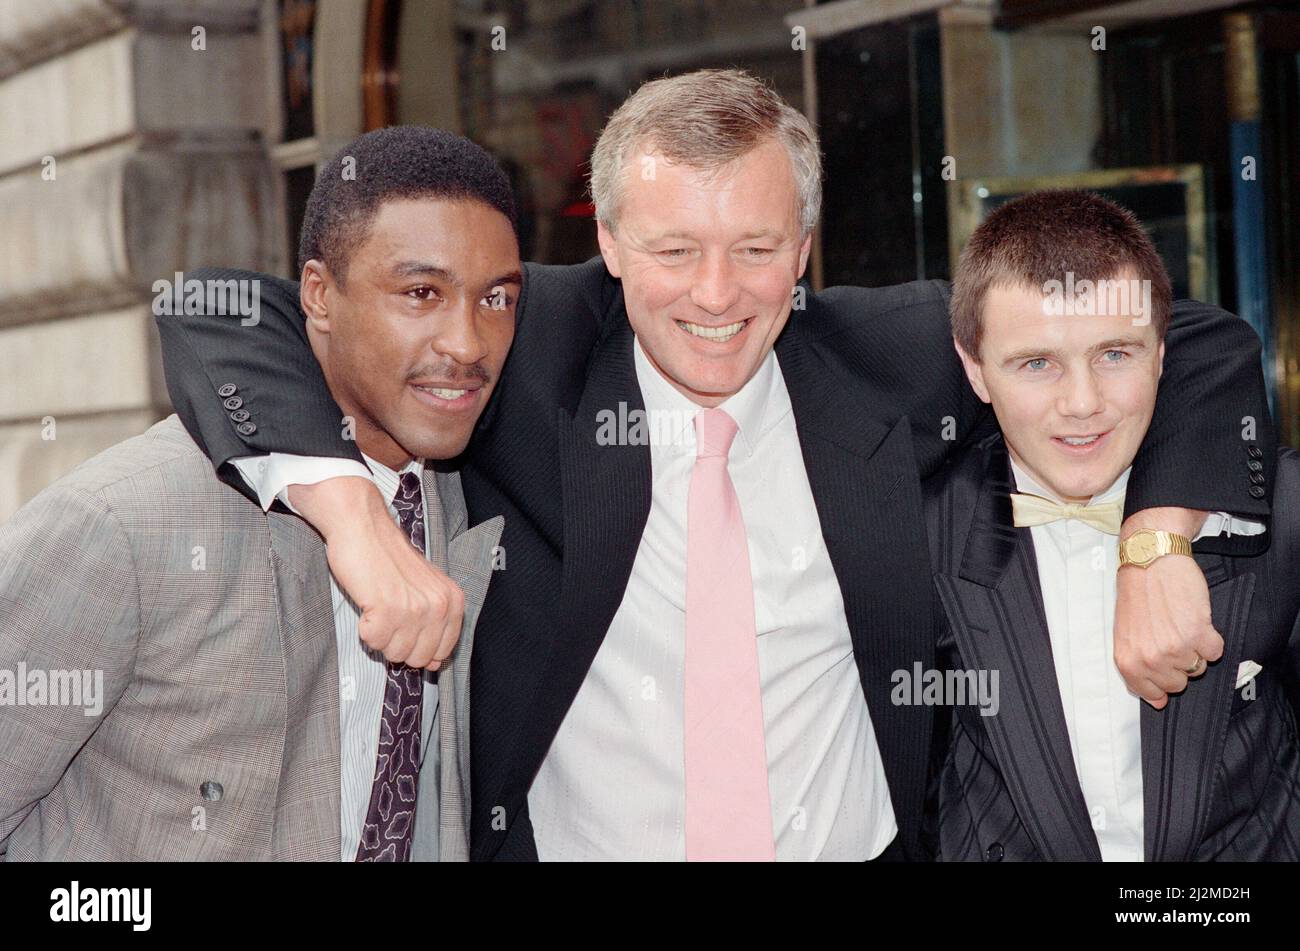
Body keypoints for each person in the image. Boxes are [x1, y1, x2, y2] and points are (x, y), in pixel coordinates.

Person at [154, 71, 1274, 861]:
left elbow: (1203, 340)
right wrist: (352, 521)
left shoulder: (891, 356)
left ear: (803, 249)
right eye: (672, 249)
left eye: (753, 249)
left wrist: (1156, 537)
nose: (714, 293)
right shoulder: (528, 342)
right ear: (606, 246)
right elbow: (221, 314)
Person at [0, 126, 517, 860]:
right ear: (318, 294)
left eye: (496, 297)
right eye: (420, 292)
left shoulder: (472, 489)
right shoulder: (123, 525)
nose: (467, 343)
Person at [925, 190, 1298, 861]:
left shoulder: (1279, 506)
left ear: (1163, 352)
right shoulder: (920, 532)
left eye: (1116, 354)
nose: (1083, 403)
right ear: (975, 369)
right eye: (1036, 363)